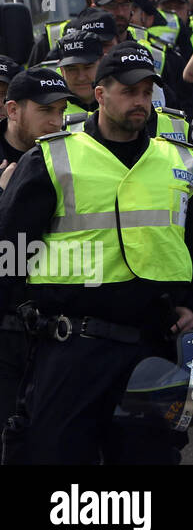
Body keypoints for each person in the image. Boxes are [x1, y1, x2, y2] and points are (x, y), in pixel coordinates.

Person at [0, 44, 193, 464]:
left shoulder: (183, 160)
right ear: (100, 94)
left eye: (148, 91)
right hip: (72, 345)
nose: (141, 102)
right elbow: (11, 250)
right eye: (130, 91)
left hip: (153, 345)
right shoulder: (52, 156)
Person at [0, 70, 76, 427]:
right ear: (13, 110)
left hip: (53, 322)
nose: (56, 121)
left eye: (60, 110)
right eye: (46, 111)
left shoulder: (70, 156)